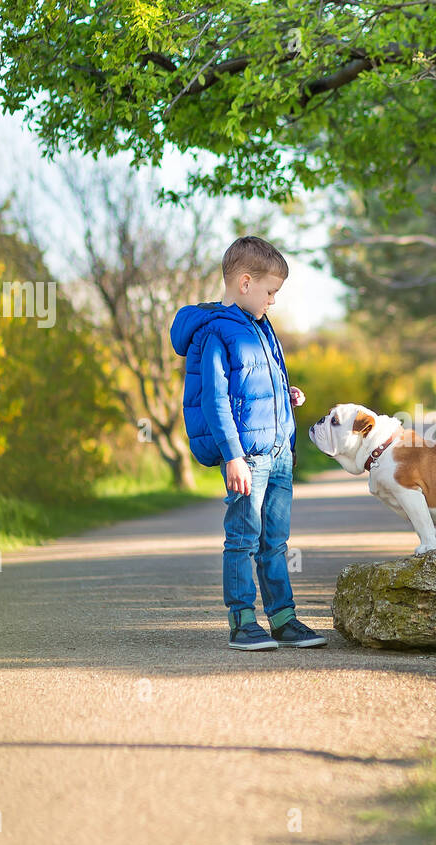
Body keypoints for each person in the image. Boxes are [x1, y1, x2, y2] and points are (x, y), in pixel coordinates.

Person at [170, 236, 326, 651]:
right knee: (243, 538)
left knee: (275, 541)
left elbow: (252, 385)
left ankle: (283, 619)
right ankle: (242, 622)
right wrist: (233, 457)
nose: (273, 300)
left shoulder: (260, 326)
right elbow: (215, 398)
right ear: (244, 282)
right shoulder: (216, 332)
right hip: (247, 458)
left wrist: (285, 395)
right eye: (270, 291)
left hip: (279, 455)